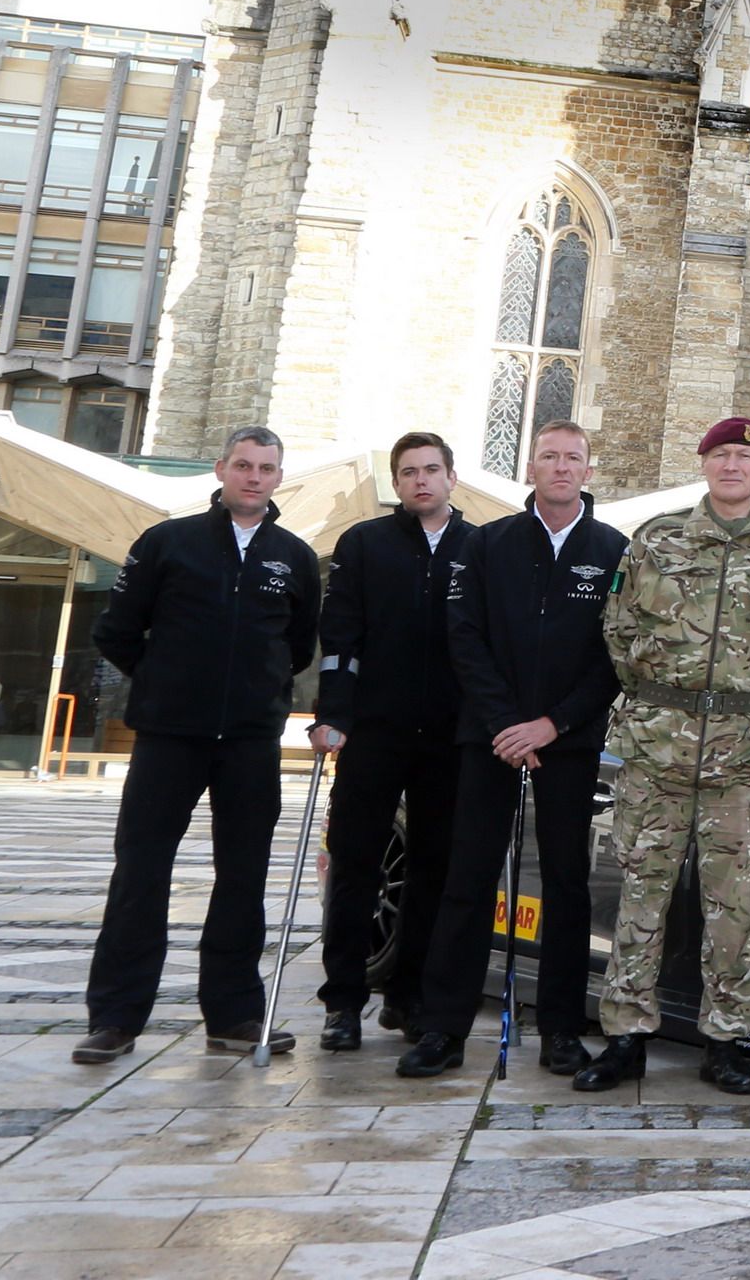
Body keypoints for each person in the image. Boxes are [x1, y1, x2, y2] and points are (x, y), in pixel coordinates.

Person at [573, 417, 750, 1095]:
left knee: (731, 906)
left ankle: (725, 1042)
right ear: (705, 465)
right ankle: (626, 1036)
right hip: (658, 753)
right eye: (721, 456)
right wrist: (660, 705)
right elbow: (620, 629)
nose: (732, 466)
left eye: (744, 456)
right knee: (641, 898)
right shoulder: (657, 541)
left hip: (741, 765)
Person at [77, 427, 322, 1063]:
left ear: (277, 478)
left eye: (266, 467)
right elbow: (117, 632)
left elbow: (297, 647)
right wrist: (166, 683)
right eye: (243, 465)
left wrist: (257, 692)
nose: (253, 477)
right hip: (169, 737)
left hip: (248, 742)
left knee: (242, 878)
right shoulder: (168, 543)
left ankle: (235, 1015)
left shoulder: (293, 557)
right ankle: (116, 1017)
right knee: (141, 871)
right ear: (221, 470)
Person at [399, 423, 625, 1080]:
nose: (560, 467)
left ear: (587, 469)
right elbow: (463, 638)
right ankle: (442, 1027)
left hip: (569, 743)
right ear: (531, 465)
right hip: (490, 739)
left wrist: (552, 725)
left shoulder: (613, 551)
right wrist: (507, 724)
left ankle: (559, 1028)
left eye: (573, 458)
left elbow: (616, 655)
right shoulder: (487, 543)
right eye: (549, 456)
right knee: (467, 879)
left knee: (565, 883)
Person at [311, 431, 468, 1051]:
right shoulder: (365, 543)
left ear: (451, 477)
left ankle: (409, 998)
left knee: (434, 868)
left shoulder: (479, 547)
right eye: (408, 473)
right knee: (356, 866)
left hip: (449, 739)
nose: (421, 481)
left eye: (431, 470)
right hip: (374, 732)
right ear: (396, 483)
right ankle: (342, 1002)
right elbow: (340, 635)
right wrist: (334, 715)